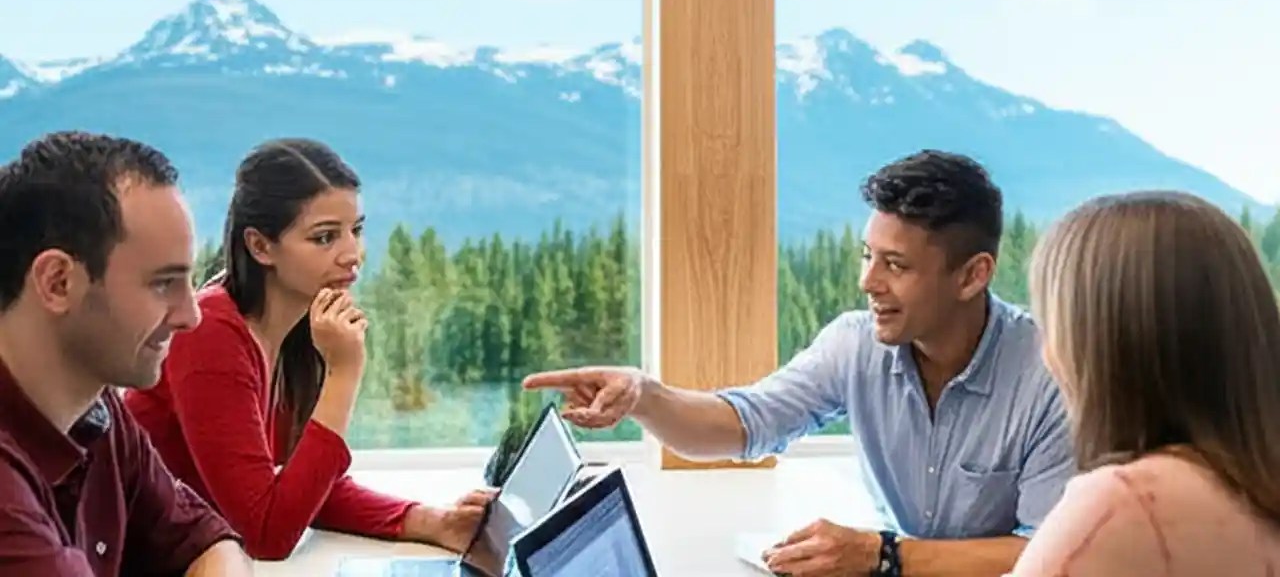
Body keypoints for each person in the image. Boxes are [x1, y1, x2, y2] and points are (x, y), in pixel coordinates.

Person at [524, 150, 1074, 577]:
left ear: (973, 275)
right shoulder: (855, 345)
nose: (868, 282)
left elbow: (1050, 556)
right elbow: (741, 424)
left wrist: (883, 556)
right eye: (867, 256)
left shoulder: (1050, 375)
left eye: (895, 264)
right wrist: (643, 395)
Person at [123, 138, 494, 561]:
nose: (352, 255)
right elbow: (267, 534)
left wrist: (433, 522)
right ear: (260, 247)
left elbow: (309, 485)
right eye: (324, 238)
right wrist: (344, 374)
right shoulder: (209, 333)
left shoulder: (301, 326)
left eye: (355, 230)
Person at [0, 131, 252, 576]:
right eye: (162, 284)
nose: (191, 316)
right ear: (58, 282)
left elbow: (208, 541)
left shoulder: (99, 416)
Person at [1005, 191, 1280, 575]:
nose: (1047, 355)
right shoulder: (1253, 494)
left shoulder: (1123, 503)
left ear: (1106, 343)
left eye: (1053, 328)